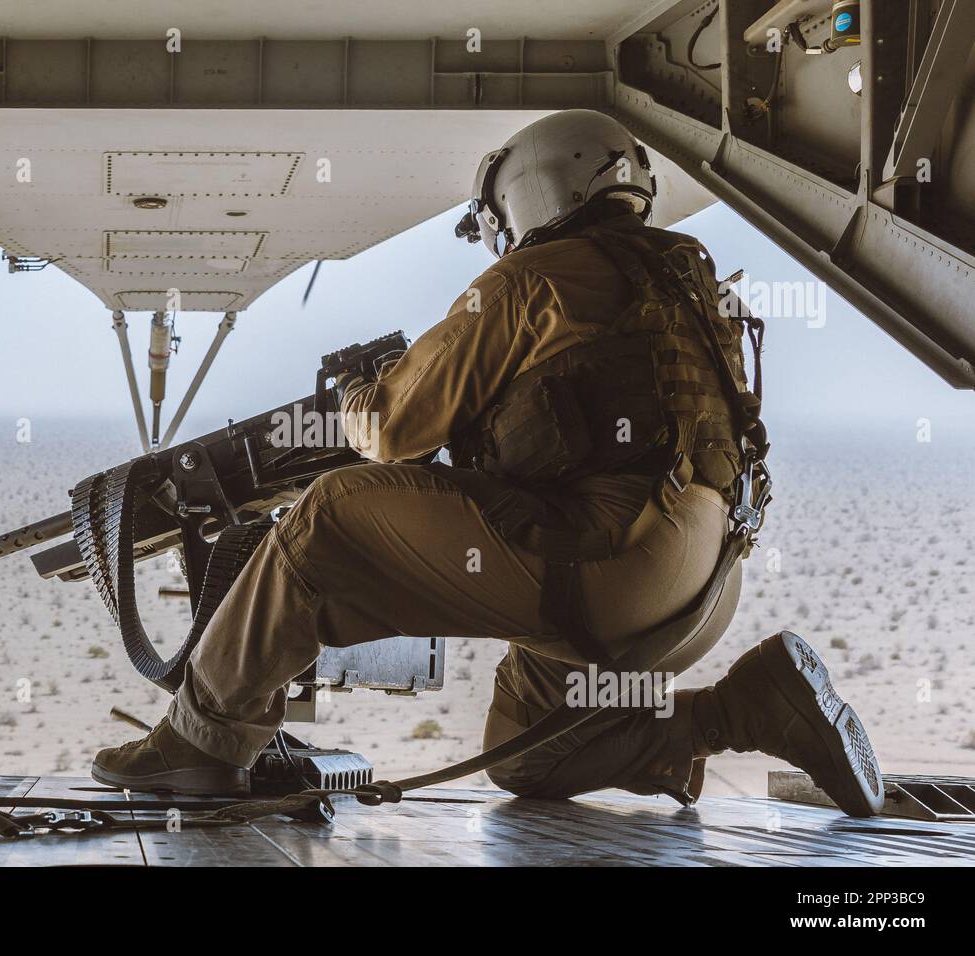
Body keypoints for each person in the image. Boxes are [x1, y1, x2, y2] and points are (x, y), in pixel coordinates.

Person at [91, 110, 884, 818]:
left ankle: (198, 744)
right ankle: (747, 709)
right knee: (527, 754)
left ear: (529, 195)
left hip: (610, 572)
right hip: (703, 595)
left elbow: (396, 426)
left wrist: (356, 393)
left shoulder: (532, 278)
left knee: (326, 518)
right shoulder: (690, 282)